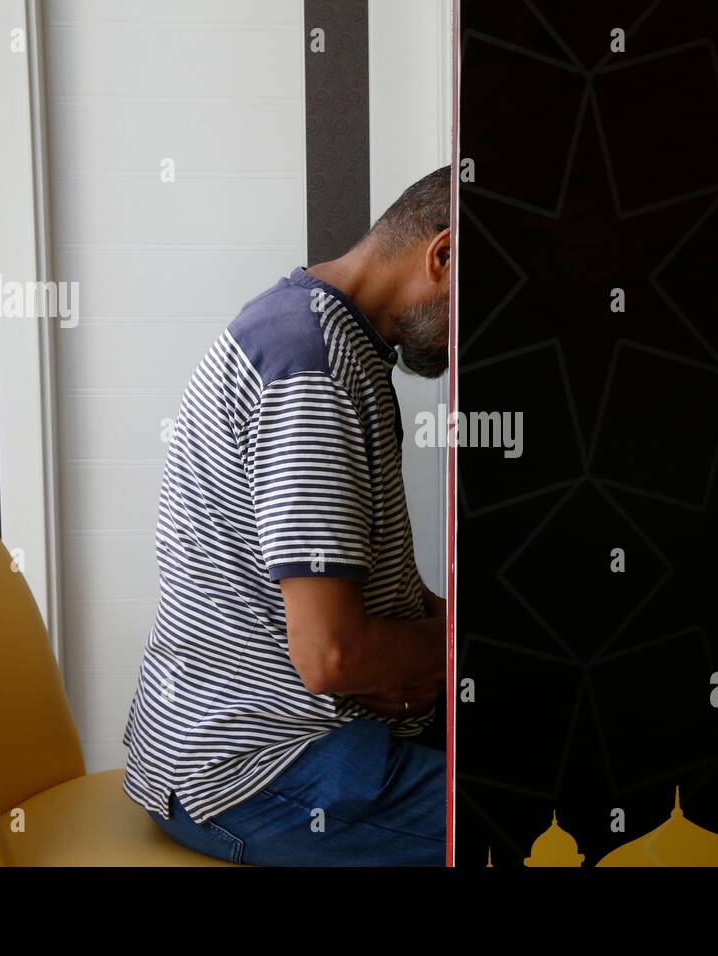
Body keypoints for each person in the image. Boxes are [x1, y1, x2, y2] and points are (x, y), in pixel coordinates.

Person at [121, 166, 452, 866]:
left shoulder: (332, 338)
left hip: (293, 731)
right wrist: (451, 653)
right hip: (257, 767)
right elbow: (333, 656)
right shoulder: (312, 370)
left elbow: (372, 588)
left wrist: (440, 641)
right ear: (444, 255)